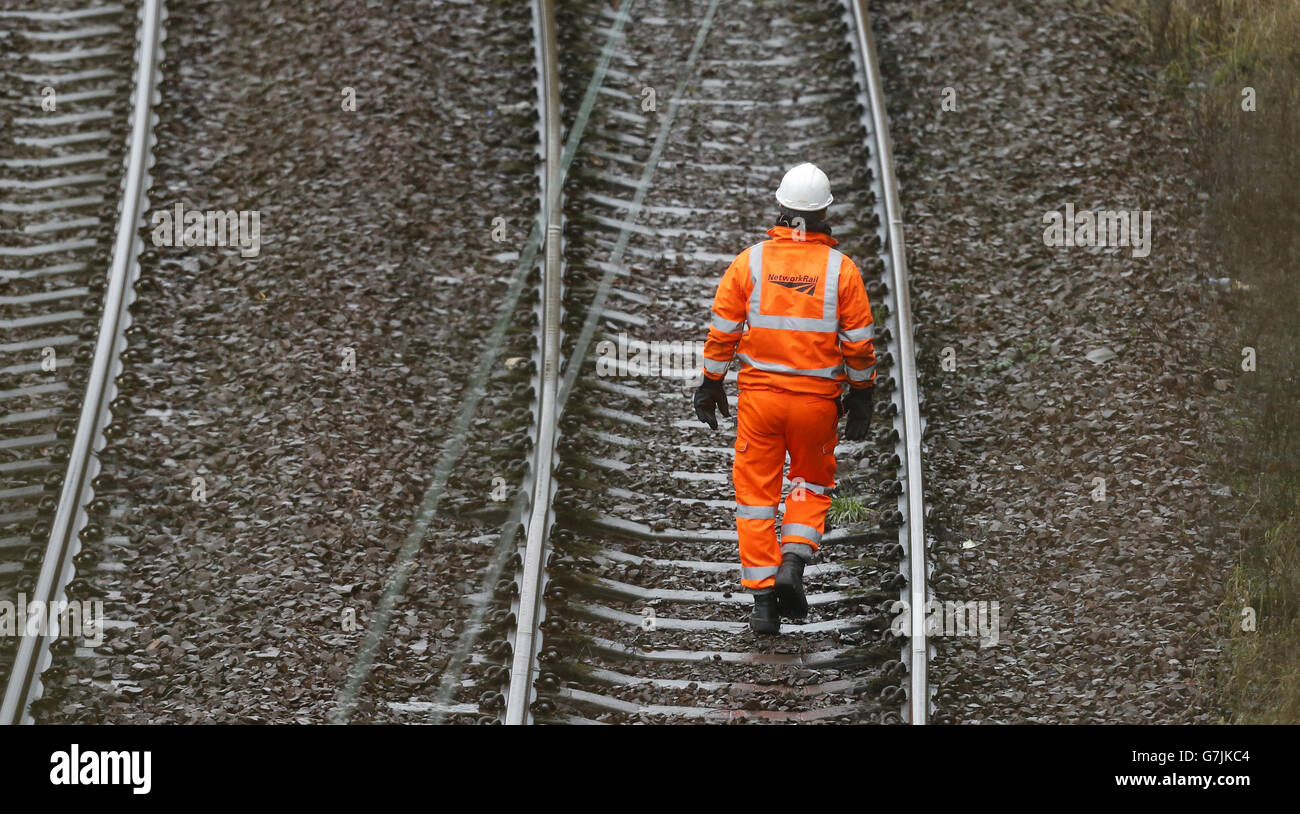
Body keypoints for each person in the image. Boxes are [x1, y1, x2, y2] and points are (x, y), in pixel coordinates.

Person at [693, 162, 877, 634]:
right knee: (811, 485)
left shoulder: (750, 262)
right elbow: (858, 345)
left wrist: (712, 382)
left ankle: (762, 606)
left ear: (781, 209)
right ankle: (793, 559)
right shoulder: (842, 270)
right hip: (816, 405)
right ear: (824, 214)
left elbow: (724, 331)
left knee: (755, 498)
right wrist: (863, 395)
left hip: (761, 402)